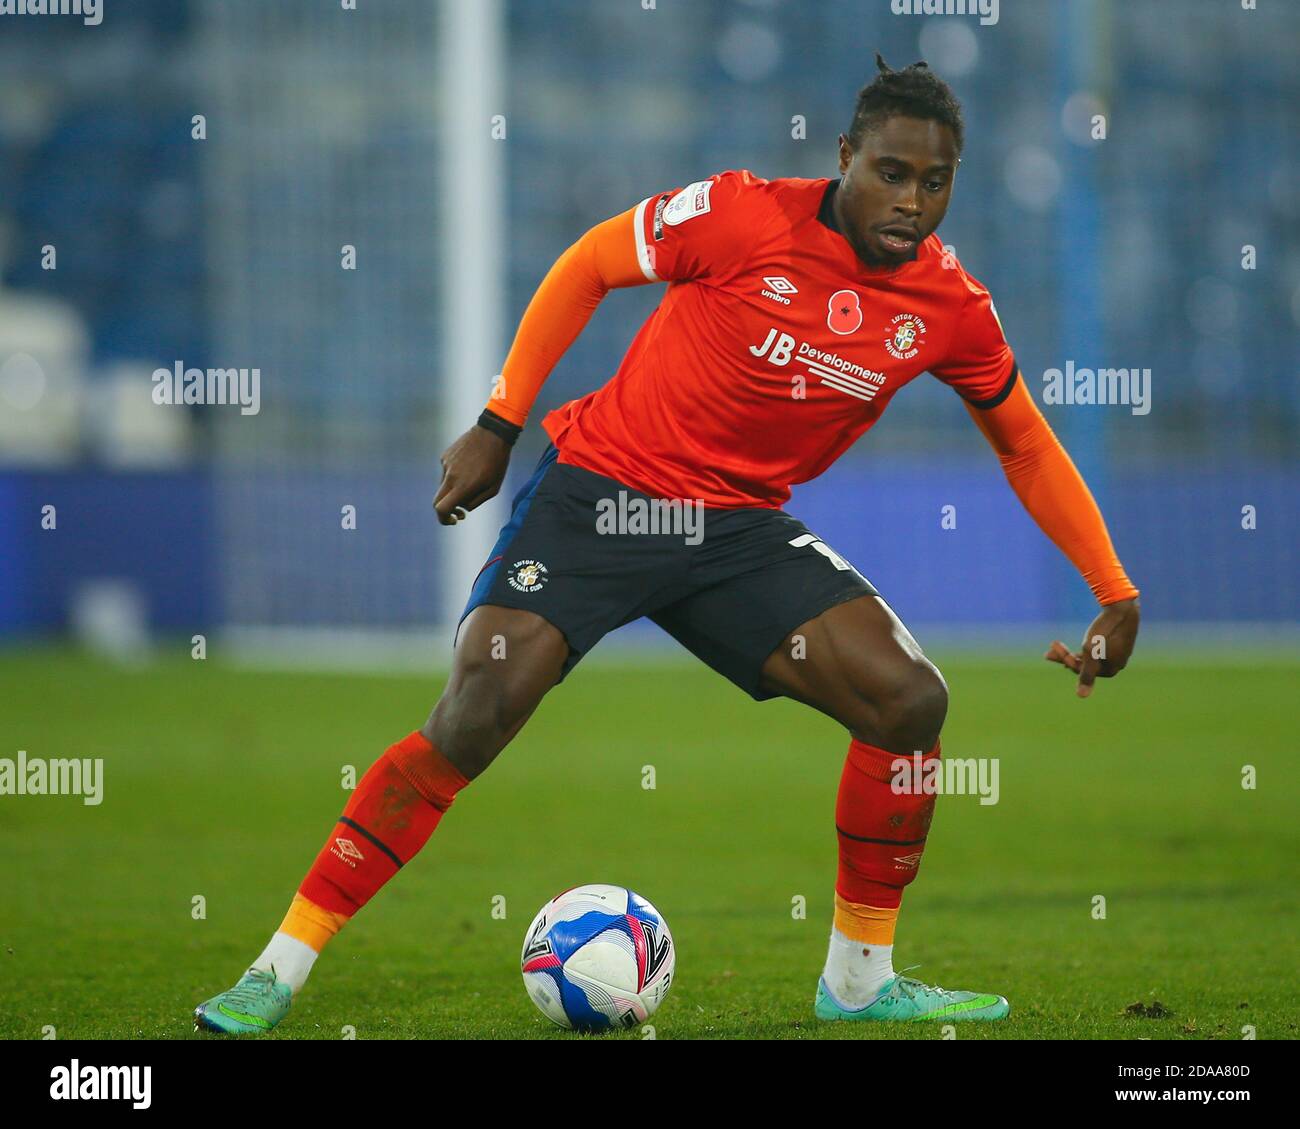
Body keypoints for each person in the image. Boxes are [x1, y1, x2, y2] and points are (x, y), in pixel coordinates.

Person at [195, 55, 1139, 1034]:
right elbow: (590, 262)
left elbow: (1024, 440)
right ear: (846, 157)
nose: (910, 200)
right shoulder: (741, 215)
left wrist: (1112, 589)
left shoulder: (949, 309)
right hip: (604, 495)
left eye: (934, 182)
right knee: (478, 708)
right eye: (890, 173)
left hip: (731, 530)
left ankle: (859, 982)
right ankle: (278, 968)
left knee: (909, 702)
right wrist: (499, 418)